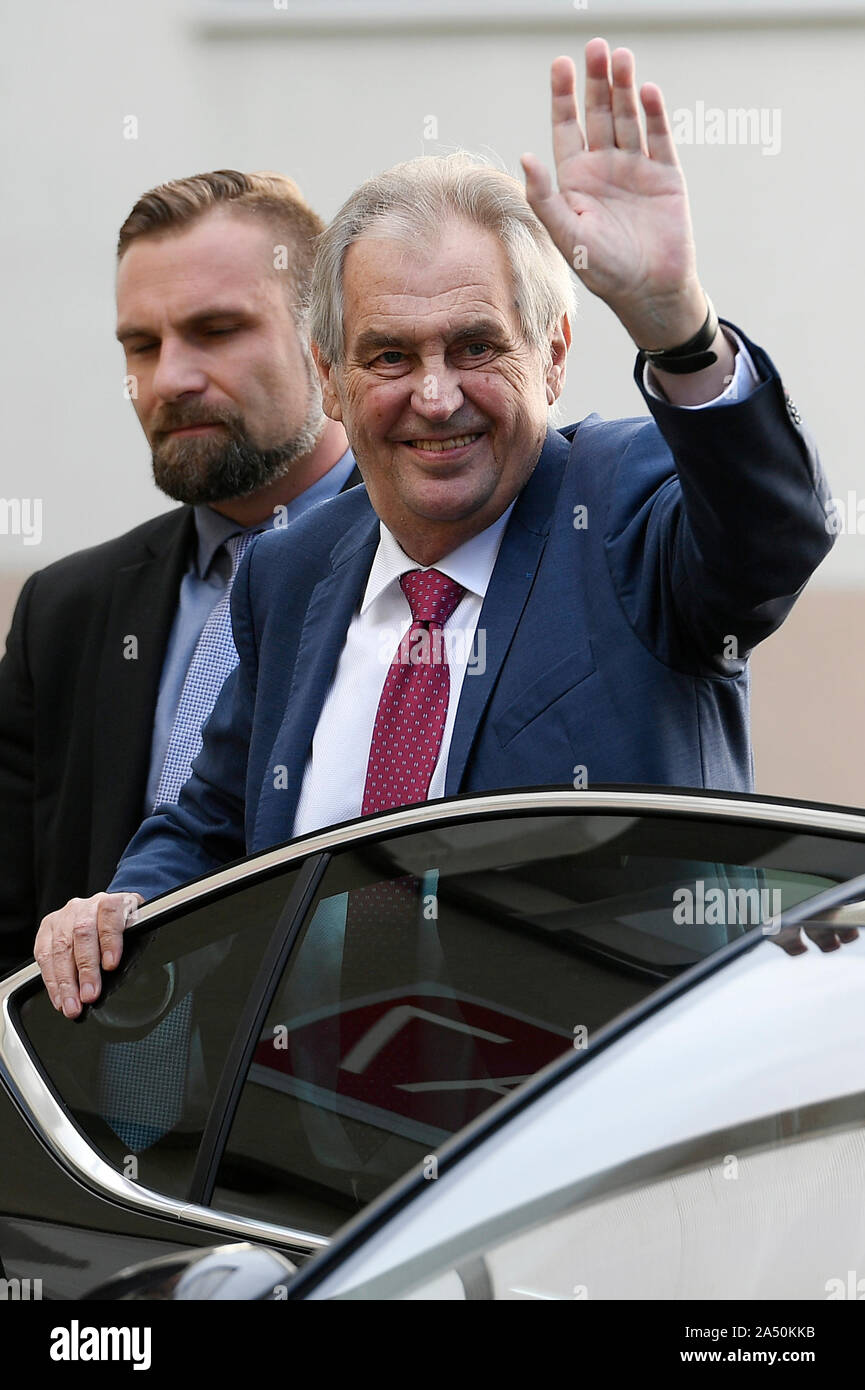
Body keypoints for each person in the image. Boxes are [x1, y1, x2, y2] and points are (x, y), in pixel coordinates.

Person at [36, 41, 834, 1017]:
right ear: (328, 377)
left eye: (475, 345)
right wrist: (122, 907)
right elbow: (208, 824)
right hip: (315, 1144)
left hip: (599, 1144)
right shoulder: (290, 572)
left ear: (551, 356)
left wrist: (676, 324)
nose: (433, 393)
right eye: (387, 355)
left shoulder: (624, 501)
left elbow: (772, 542)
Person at [0, 170, 361, 974]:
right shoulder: (66, 612)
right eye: (142, 345)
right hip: (90, 1092)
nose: (169, 379)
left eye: (216, 330)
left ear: (323, 338)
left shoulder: (429, 565)